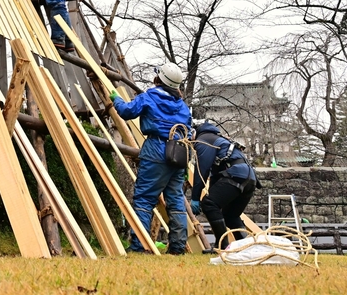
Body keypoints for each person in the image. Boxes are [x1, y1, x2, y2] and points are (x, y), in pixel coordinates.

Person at [109, 63, 192, 255]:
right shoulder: (182, 106)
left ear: (159, 79)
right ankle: (178, 247)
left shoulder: (150, 97)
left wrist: (116, 99)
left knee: (144, 199)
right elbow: (189, 130)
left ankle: (140, 245)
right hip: (179, 152)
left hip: (156, 150)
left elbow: (127, 111)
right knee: (176, 199)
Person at [191, 122, 258, 251]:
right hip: (249, 178)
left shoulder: (204, 140)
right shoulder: (219, 140)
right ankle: (245, 247)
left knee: (209, 204)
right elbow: (216, 177)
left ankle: (222, 246)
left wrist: (195, 197)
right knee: (230, 216)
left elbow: (201, 170)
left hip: (236, 174)